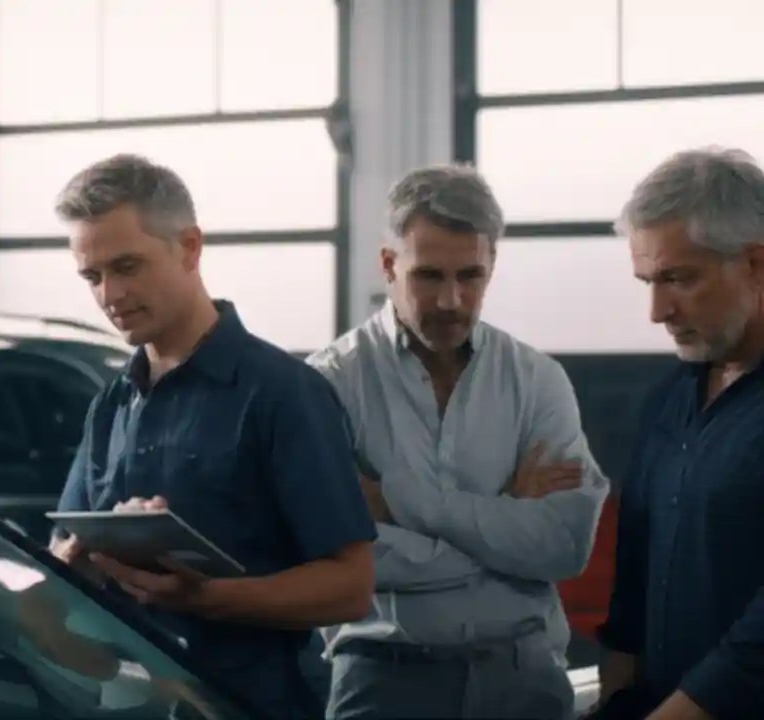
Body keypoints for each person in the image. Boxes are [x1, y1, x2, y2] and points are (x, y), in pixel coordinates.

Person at [48, 152, 377, 720]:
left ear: (190, 248)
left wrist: (208, 598)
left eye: (128, 266)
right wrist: (76, 563)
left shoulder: (284, 393)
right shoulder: (111, 405)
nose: (109, 295)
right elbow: (64, 561)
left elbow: (349, 587)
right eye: (92, 276)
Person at [306, 164, 609, 719]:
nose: (451, 301)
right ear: (388, 265)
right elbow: (333, 554)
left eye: (470, 276)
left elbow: (563, 546)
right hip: (382, 681)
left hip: (524, 682)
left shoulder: (537, 379)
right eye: (429, 276)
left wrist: (398, 502)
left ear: (492, 264)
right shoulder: (330, 383)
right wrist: (503, 523)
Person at [590, 147, 764, 720]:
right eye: (647, 281)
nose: (657, 310)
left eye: (678, 279)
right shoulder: (670, 399)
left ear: (755, 265)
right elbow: (635, 569)